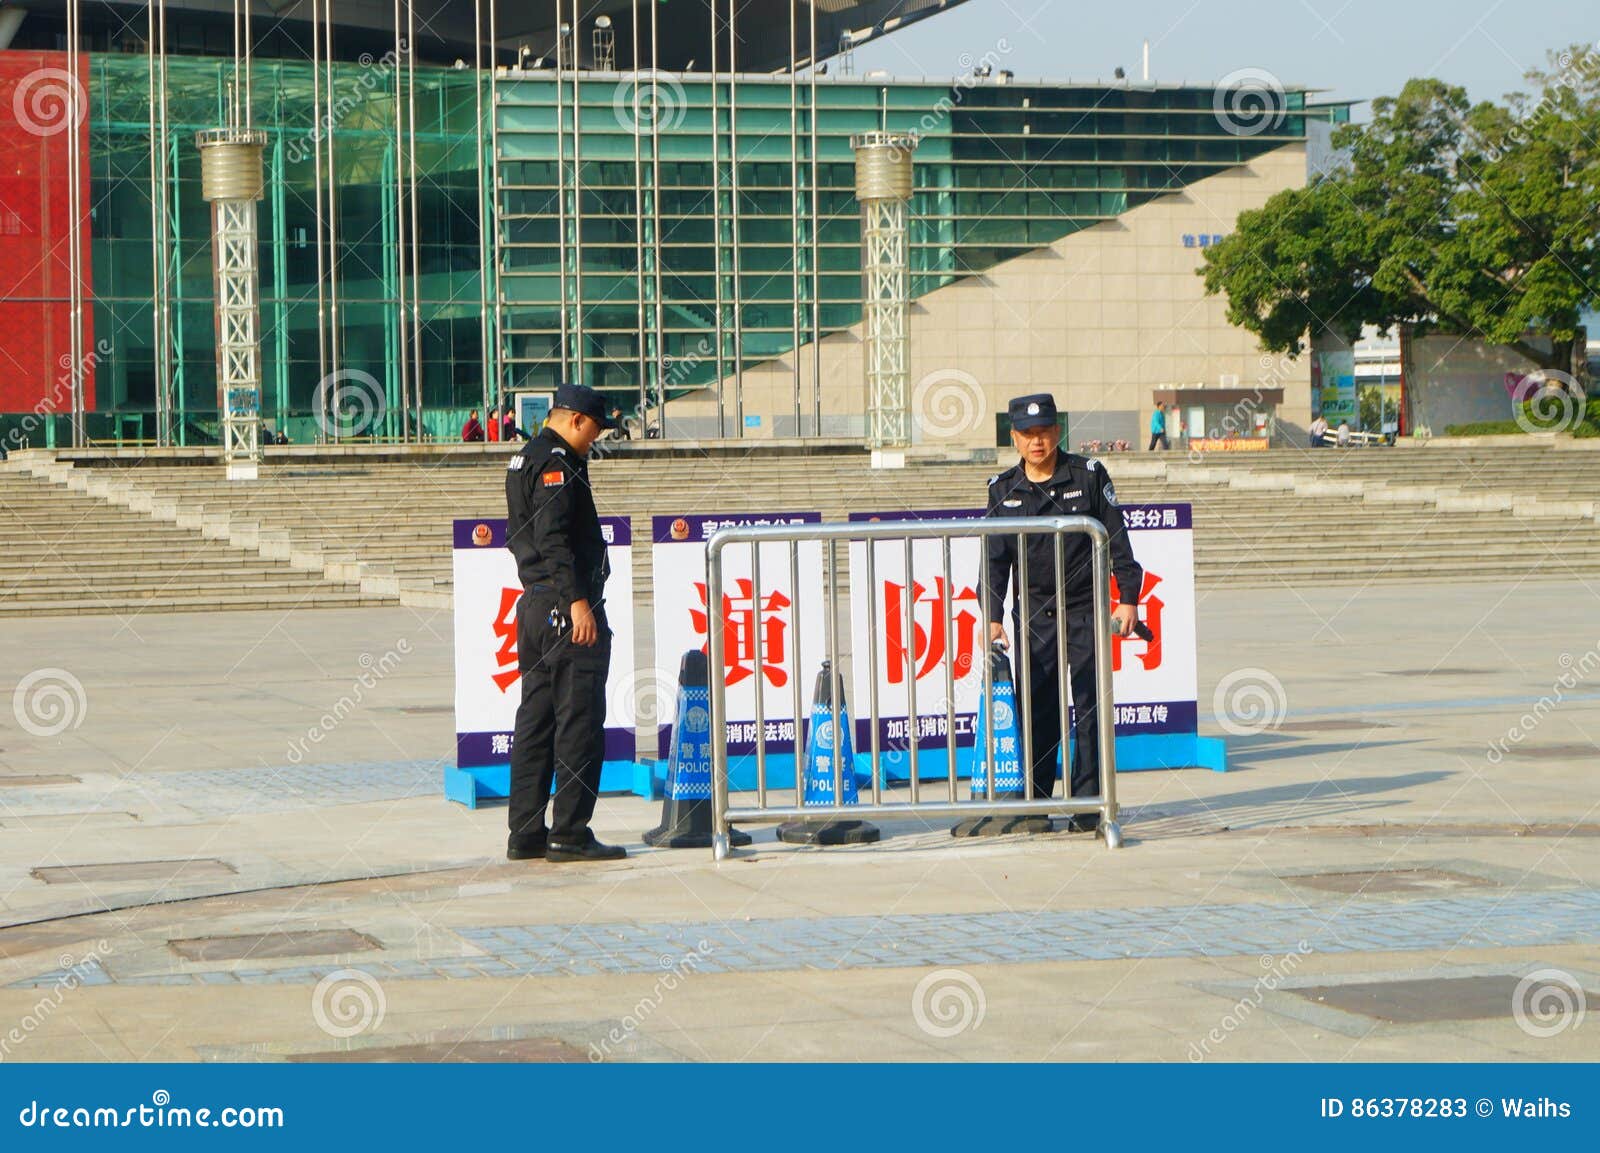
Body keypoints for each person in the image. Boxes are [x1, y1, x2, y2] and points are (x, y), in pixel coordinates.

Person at [985, 393, 1144, 833]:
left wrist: (1128, 595)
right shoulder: (1003, 490)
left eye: (1045, 432)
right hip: (1035, 613)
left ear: (1058, 432)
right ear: (1014, 438)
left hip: (1084, 608)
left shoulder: (1088, 476)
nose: (1038, 442)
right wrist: (993, 614)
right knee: (1038, 709)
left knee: (1091, 706)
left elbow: (1116, 537)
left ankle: (1089, 805)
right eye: (1028, 434)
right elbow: (994, 560)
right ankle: (1037, 805)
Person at [504, 382, 623, 862]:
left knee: (535, 722)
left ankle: (525, 832)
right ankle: (569, 834)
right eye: (595, 429)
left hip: (534, 607)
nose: (596, 439)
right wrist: (576, 601)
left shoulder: (525, 457)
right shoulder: (558, 462)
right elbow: (553, 538)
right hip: (563, 609)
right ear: (574, 419)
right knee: (578, 721)